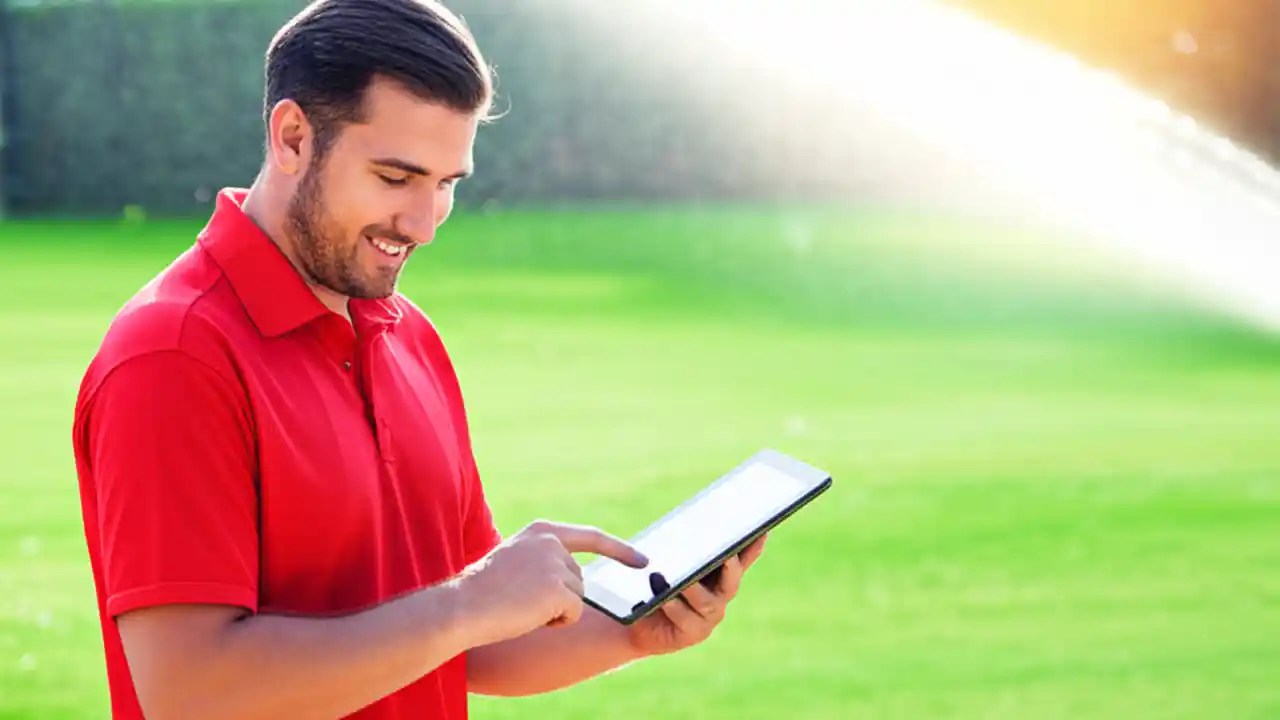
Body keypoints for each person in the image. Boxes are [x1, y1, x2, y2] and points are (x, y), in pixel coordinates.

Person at [70, 1, 767, 718]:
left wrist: (630, 631)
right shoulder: (174, 357)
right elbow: (192, 695)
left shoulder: (409, 338)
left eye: (447, 184)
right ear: (292, 137)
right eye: (396, 177)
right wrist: (468, 602)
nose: (423, 223)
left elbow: (459, 643)